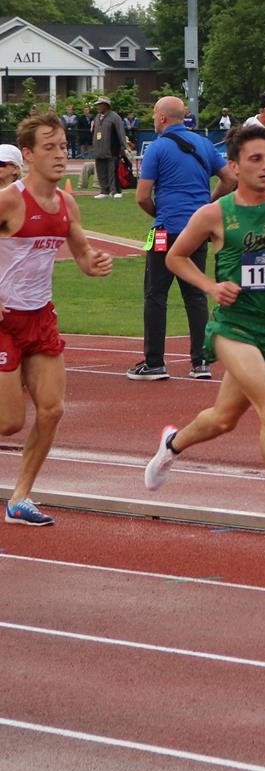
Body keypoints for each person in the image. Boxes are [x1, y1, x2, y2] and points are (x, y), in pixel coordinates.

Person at [145, 125, 265, 538]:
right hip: (231, 326)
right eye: (255, 159)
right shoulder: (214, 213)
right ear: (233, 166)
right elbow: (175, 257)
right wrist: (211, 287)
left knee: (223, 419)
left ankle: (172, 444)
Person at [0, 113, 117, 525]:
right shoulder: (9, 200)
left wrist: (94, 263)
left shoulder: (66, 204)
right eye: (49, 147)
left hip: (40, 318)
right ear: (29, 155)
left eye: (63, 147)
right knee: (9, 422)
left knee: (51, 410)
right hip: (4, 322)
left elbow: (82, 253)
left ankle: (20, 498)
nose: (59, 154)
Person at [129, 95, 232, 382]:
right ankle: (201, 362)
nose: (153, 119)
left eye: (154, 114)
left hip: (165, 229)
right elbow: (230, 179)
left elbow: (142, 196)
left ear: (162, 117)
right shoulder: (204, 144)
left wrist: (160, 212)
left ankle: (154, 362)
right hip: (196, 231)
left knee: (155, 294)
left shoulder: (157, 148)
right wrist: (207, 208)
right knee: (196, 294)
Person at [90, 98, 128, 199]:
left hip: (111, 149)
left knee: (112, 171)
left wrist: (123, 146)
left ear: (106, 105)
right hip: (99, 149)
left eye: (100, 105)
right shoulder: (97, 117)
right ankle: (104, 191)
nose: (98, 107)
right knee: (101, 171)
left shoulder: (115, 117)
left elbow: (120, 132)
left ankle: (116, 191)